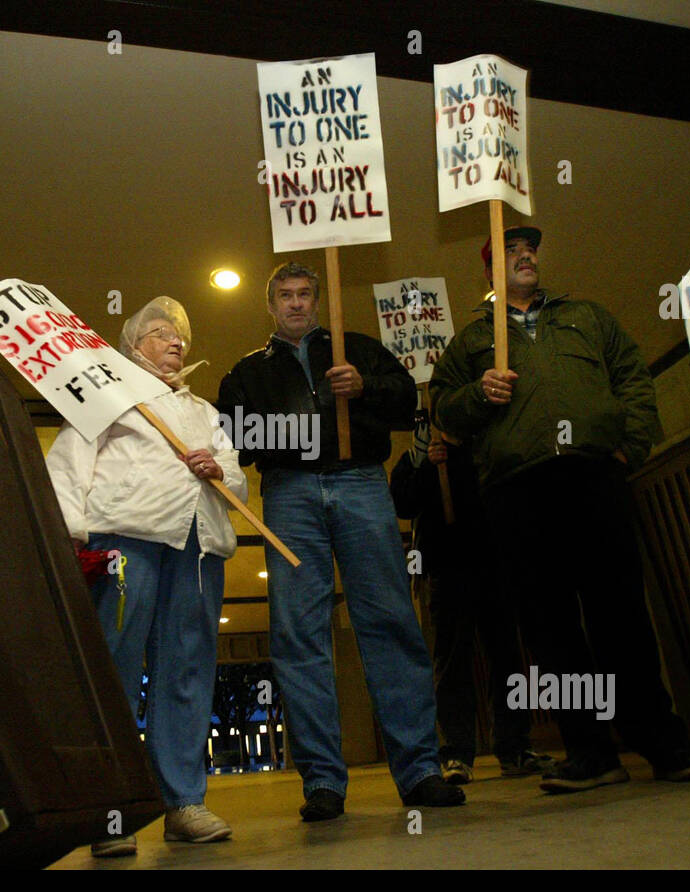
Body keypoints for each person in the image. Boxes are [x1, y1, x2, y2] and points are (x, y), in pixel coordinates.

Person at [430, 226, 690, 793]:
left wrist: (628, 447)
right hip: (516, 489)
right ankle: (589, 750)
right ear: (489, 272)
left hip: (595, 475)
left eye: (530, 249)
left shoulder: (588, 316)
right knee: (548, 625)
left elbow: (634, 379)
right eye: (511, 251)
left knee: (622, 613)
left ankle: (661, 740)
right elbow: (444, 409)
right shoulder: (469, 341)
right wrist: (475, 393)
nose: (525, 255)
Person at [217, 262, 464, 820]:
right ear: (270, 303)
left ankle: (421, 768)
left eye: (306, 294)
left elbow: (408, 403)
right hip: (287, 492)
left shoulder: (357, 349)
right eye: (286, 294)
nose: (297, 303)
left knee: (390, 619)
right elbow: (237, 443)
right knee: (298, 633)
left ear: (319, 299)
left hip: (361, 482)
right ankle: (323, 782)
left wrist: (364, 386)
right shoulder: (246, 372)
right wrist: (281, 433)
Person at [45, 296, 246, 855]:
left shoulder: (205, 412)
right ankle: (109, 813)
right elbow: (66, 464)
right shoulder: (106, 400)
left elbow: (237, 480)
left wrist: (219, 470)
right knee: (115, 663)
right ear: (132, 346)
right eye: (160, 332)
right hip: (125, 538)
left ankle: (183, 802)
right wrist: (71, 536)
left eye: (180, 335)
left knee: (186, 668)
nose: (175, 341)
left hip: (198, 546)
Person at [390, 416, 554, 781]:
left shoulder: (482, 445)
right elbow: (403, 503)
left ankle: (514, 746)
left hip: (494, 560)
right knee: (451, 660)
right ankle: (456, 752)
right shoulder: (414, 460)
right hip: (446, 568)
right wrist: (428, 467)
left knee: (507, 656)